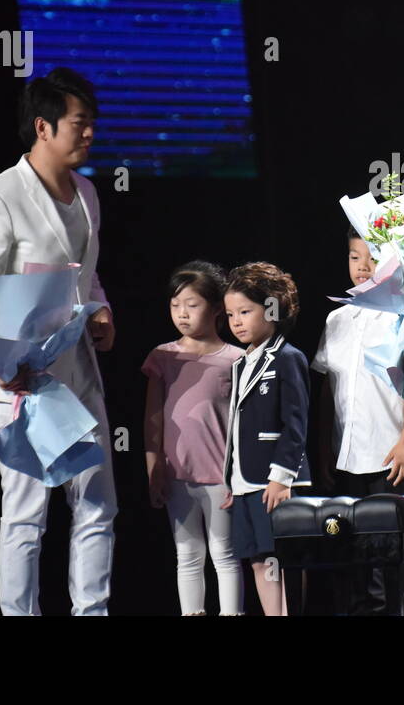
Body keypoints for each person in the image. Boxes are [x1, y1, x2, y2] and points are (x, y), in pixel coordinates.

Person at [0, 67, 118, 615]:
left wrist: (102, 313)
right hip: (22, 379)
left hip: (79, 370)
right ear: (44, 127)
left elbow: (86, 274)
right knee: (27, 512)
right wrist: (4, 361)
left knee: (98, 502)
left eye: (93, 122)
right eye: (80, 123)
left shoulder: (90, 193)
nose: (90, 133)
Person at [311, 228, 404, 614]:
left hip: (391, 454)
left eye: (372, 256)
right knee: (356, 559)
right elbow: (330, 387)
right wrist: (325, 447)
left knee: (396, 560)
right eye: (354, 256)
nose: (362, 266)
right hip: (348, 456)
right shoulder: (337, 319)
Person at [143, 261, 245, 615]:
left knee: (224, 553)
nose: (182, 314)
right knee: (187, 554)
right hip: (177, 474)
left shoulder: (236, 359)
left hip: (221, 476)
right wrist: (153, 467)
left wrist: (239, 474)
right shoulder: (163, 356)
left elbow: (242, 423)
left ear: (217, 308)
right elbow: (153, 418)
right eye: (175, 305)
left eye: (192, 304)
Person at [221, 262, 312, 615]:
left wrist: (281, 477)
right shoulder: (240, 364)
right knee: (258, 559)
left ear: (272, 308)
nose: (237, 321)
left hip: (274, 480)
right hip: (245, 482)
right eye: (231, 314)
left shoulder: (287, 358)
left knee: (280, 558)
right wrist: (231, 478)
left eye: (245, 311)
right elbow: (234, 427)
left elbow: (296, 423)